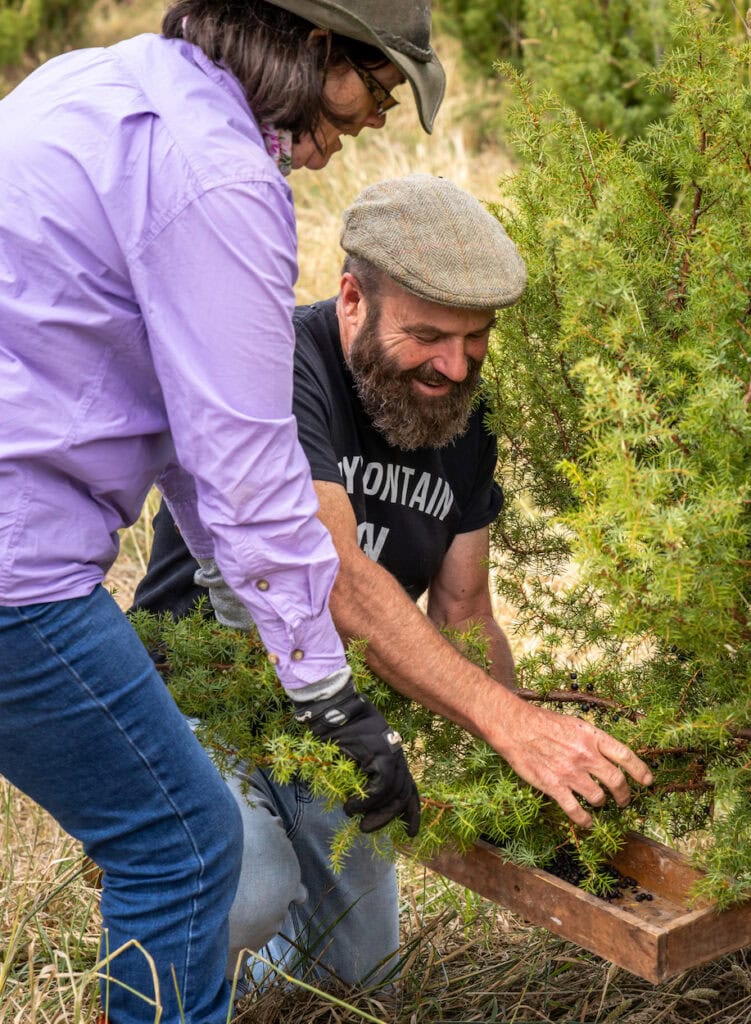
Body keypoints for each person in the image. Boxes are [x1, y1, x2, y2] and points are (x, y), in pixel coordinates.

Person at [0, 4, 445, 1022]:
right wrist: (330, 696)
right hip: (15, 567)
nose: (372, 121)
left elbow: (200, 448)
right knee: (186, 840)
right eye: (375, 89)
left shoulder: (103, 85)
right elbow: (248, 469)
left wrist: (293, 666)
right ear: (316, 48)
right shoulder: (222, 176)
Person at [133, 174, 654, 991]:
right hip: (198, 699)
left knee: (357, 984)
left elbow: (462, 607)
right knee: (246, 895)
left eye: (475, 338)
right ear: (351, 299)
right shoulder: (270, 364)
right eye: (427, 336)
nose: (454, 365)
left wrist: (510, 769)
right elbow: (334, 579)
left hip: (336, 727)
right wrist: (510, 723)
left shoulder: (464, 418)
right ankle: (144, 944)